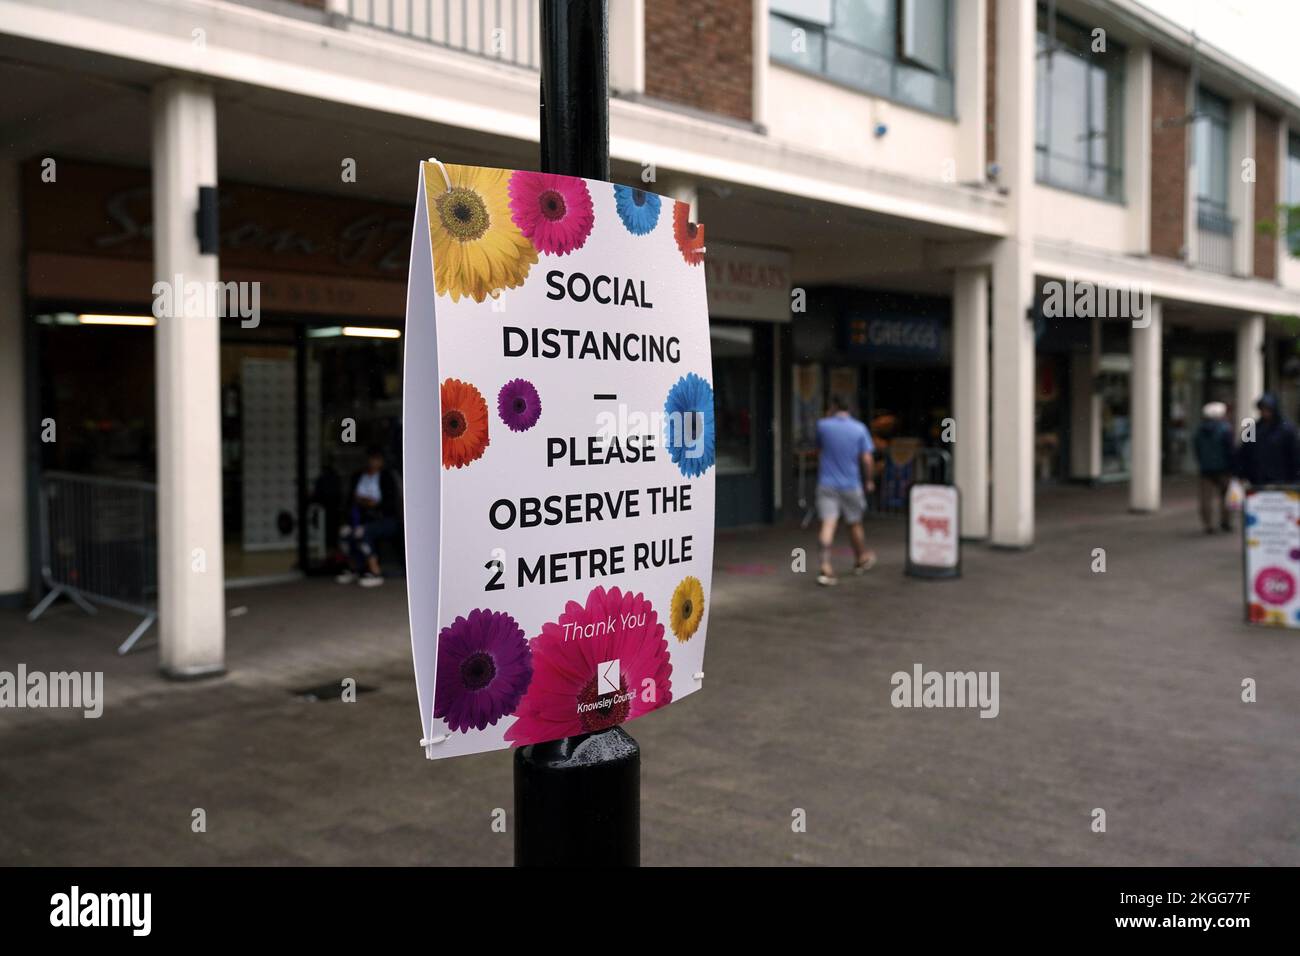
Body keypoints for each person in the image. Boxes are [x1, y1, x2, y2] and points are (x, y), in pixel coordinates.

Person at [814, 394, 876, 587]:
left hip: (827, 483)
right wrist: (869, 480)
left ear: (833, 407)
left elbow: (819, 449)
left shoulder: (823, 426)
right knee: (854, 523)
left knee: (828, 524)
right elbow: (867, 459)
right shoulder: (859, 429)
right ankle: (861, 558)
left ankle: (825, 566)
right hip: (851, 483)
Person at [336, 446, 401, 588]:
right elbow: (352, 500)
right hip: (361, 519)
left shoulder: (387, 477)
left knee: (363, 533)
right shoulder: (358, 476)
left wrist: (369, 503)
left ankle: (375, 571)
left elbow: (388, 503)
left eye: (376, 459)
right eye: (370, 459)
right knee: (345, 533)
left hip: (384, 519)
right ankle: (354, 567)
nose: (372, 462)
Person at [1236, 392, 1300, 488]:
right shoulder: (1253, 429)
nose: (1265, 412)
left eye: (1268, 409)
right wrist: (1241, 474)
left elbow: (1295, 455)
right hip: (1257, 481)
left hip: (1283, 482)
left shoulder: (1287, 429)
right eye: (1262, 409)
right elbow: (1244, 453)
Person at [1193, 401, 1233, 534]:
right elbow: (1230, 449)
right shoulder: (1225, 429)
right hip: (1223, 468)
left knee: (1205, 498)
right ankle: (1225, 521)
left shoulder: (1200, 430)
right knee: (1226, 496)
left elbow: (1197, 449)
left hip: (1206, 469)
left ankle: (1207, 524)